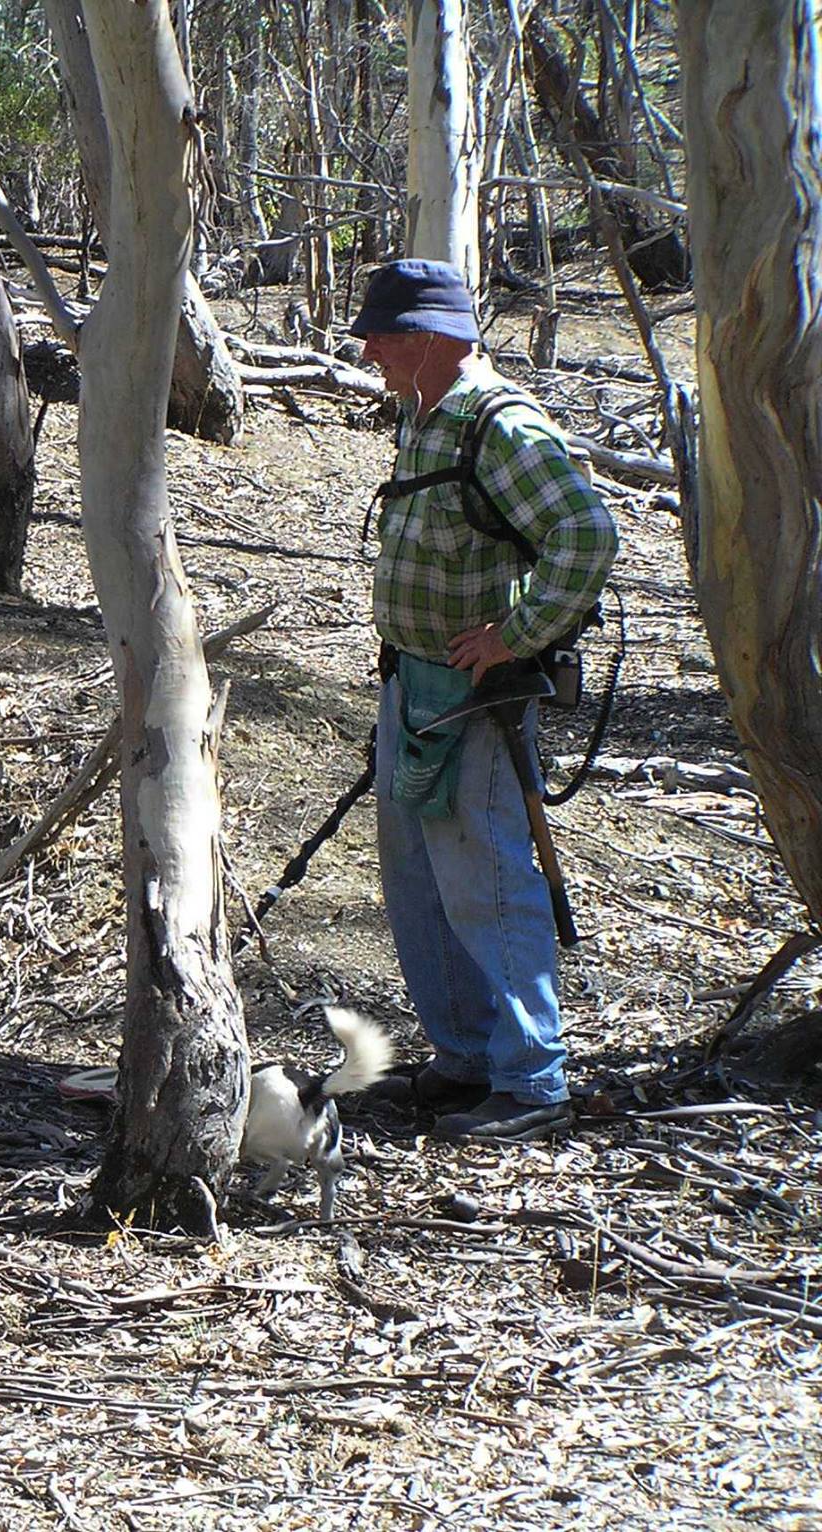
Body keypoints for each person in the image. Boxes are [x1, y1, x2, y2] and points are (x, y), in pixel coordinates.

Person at [349, 260, 617, 1142]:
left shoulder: (500, 424)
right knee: (420, 884)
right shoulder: (422, 414)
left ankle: (531, 1082)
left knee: (490, 885)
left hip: (475, 700)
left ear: (431, 337)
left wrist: (515, 635)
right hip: (411, 685)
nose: (367, 348)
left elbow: (584, 534)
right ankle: (464, 1060)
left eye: (383, 333)